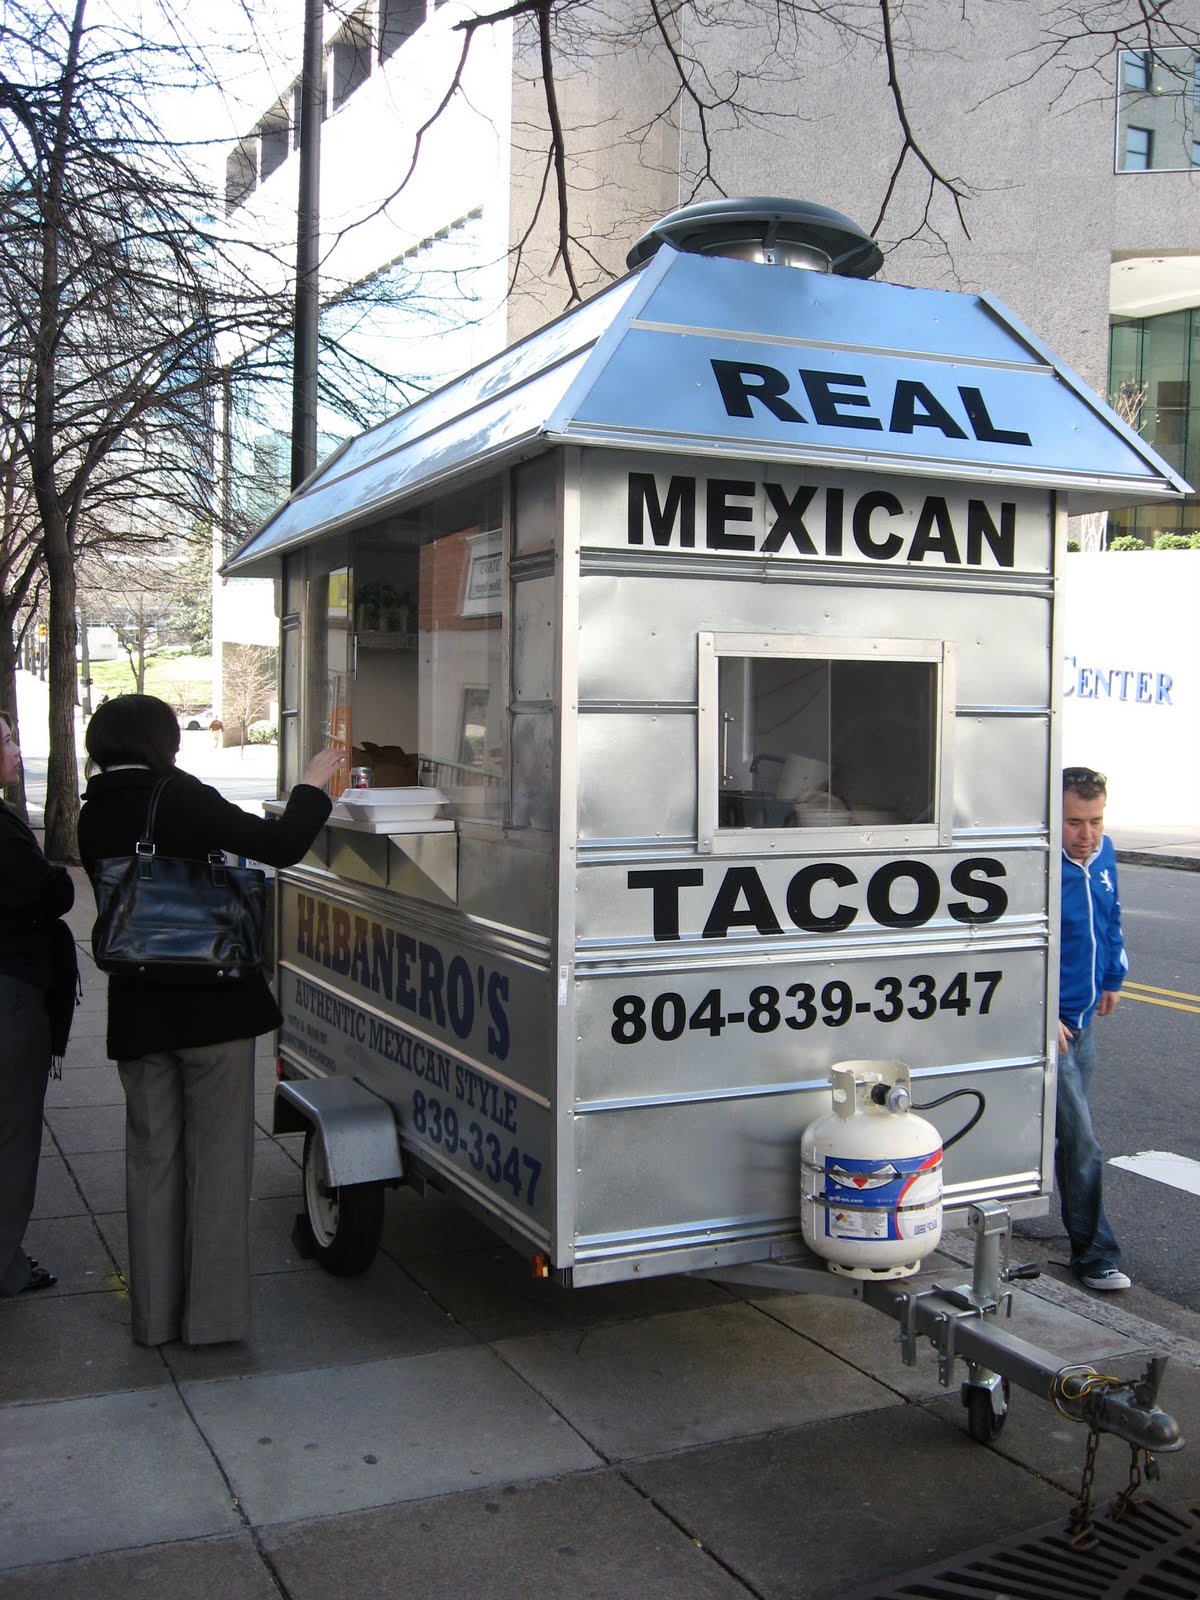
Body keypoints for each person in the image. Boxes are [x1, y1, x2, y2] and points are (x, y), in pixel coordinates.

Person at [77, 694, 342, 1346]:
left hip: (139, 1013)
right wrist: (311, 784)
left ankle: (155, 1319)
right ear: (160, 742)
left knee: (151, 1163)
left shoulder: (92, 813)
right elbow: (277, 846)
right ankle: (213, 1321)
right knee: (219, 1164)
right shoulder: (181, 795)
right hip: (214, 1006)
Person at [0, 710, 76, 1296]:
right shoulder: (2, 830)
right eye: (5, 741)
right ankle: (5, 1264)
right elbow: (51, 890)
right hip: (12, 992)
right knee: (13, 1136)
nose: (16, 749)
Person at [1056, 765, 1130, 1292]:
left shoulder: (1104, 855)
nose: (1087, 836)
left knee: (1066, 1140)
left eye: (1096, 821)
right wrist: (1036, 1014)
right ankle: (1094, 1254)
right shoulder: (1035, 863)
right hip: (1048, 1030)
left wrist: (1113, 977)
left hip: (1084, 1025)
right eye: (1074, 822)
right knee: (1082, 1143)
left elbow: (1111, 918)